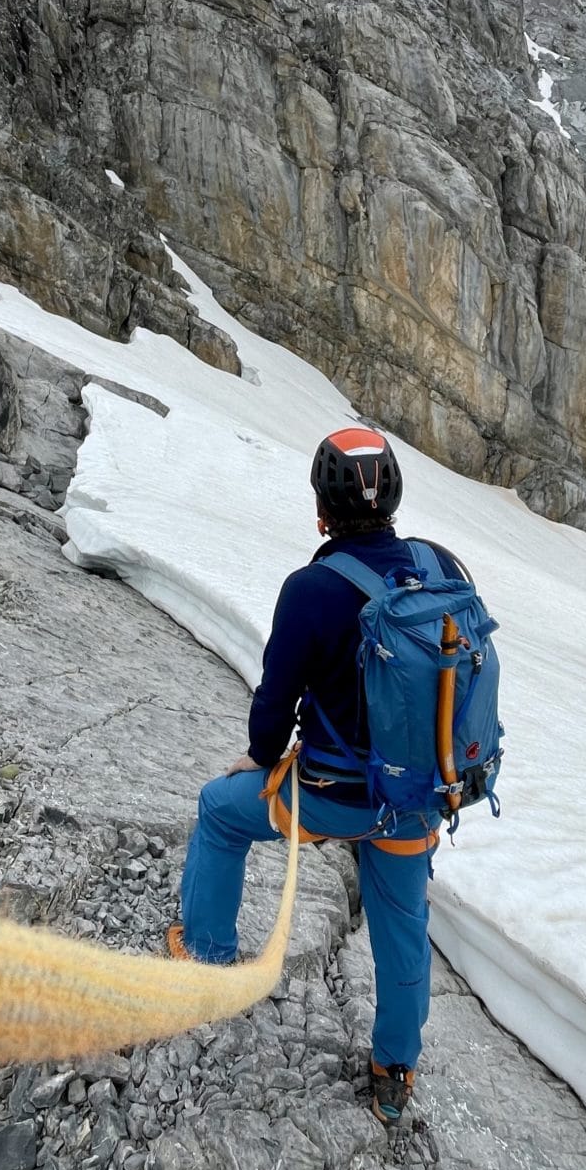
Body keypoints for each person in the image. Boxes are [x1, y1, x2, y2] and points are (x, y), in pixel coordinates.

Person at [167, 426, 472, 1124]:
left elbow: (276, 698)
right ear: (392, 495)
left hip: (331, 797)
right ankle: (394, 1068)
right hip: (417, 801)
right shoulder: (445, 567)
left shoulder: (311, 588)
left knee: (220, 810)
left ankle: (208, 956)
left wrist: (262, 754)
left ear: (321, 511)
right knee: (402, 921)